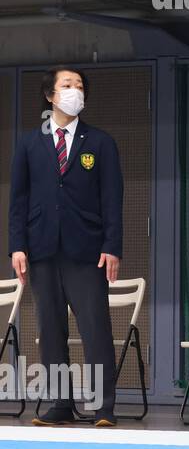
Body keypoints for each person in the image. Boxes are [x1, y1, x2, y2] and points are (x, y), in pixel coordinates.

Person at [9, 67, 123, 427]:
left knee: (95, 328)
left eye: (79, 86)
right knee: (50, 329)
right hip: (42, 250)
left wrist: (112, 246)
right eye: (67, 85)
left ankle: (103, 408)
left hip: (87, 251)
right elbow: (18, 200)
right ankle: (59, 403)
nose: (74, 91)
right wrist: (17, 246)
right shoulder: (30, 143)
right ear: (51, 96)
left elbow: (112, 199)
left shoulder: (100, 142)